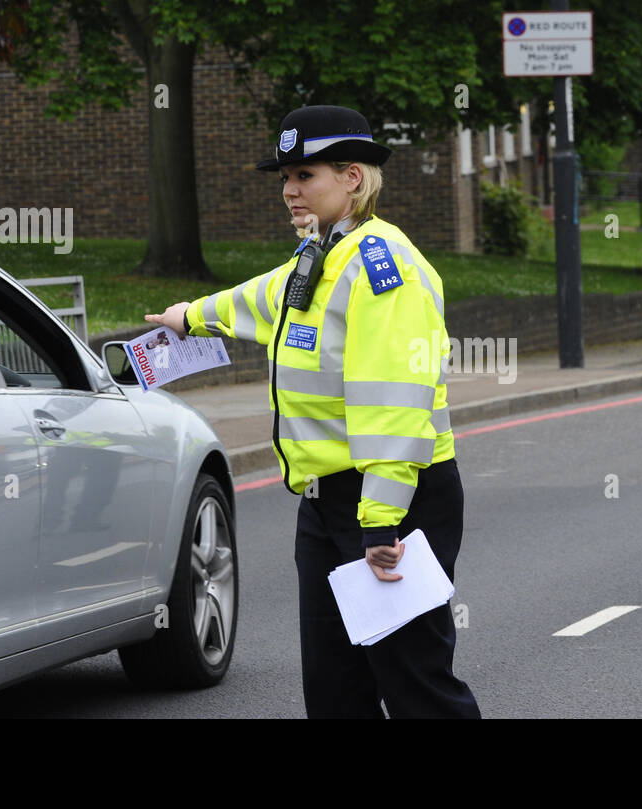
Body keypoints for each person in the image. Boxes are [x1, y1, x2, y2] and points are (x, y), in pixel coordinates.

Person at [144, 105, 480, 718]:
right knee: (333, 690)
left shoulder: (385, 269)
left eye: (305, 175)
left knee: (415, 685)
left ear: (353, 176)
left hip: (391, 499)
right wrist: (190, 315)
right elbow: (263, 299)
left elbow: (393, 404)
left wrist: (381, 522)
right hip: (326, 503)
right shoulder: (320, 253)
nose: (289, 191)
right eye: (284, 178)